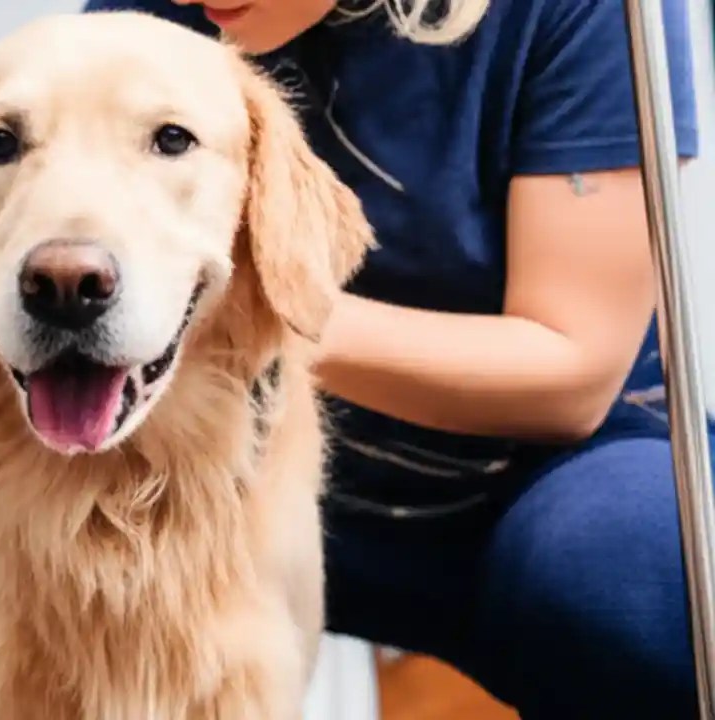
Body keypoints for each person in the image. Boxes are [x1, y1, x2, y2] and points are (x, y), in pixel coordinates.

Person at [81, 0, 704, 716]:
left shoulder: (584, 14)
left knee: (628, 582)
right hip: (253, 475)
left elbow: (571, 374)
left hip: (542, 482)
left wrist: (260, 313)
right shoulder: (145, 19)